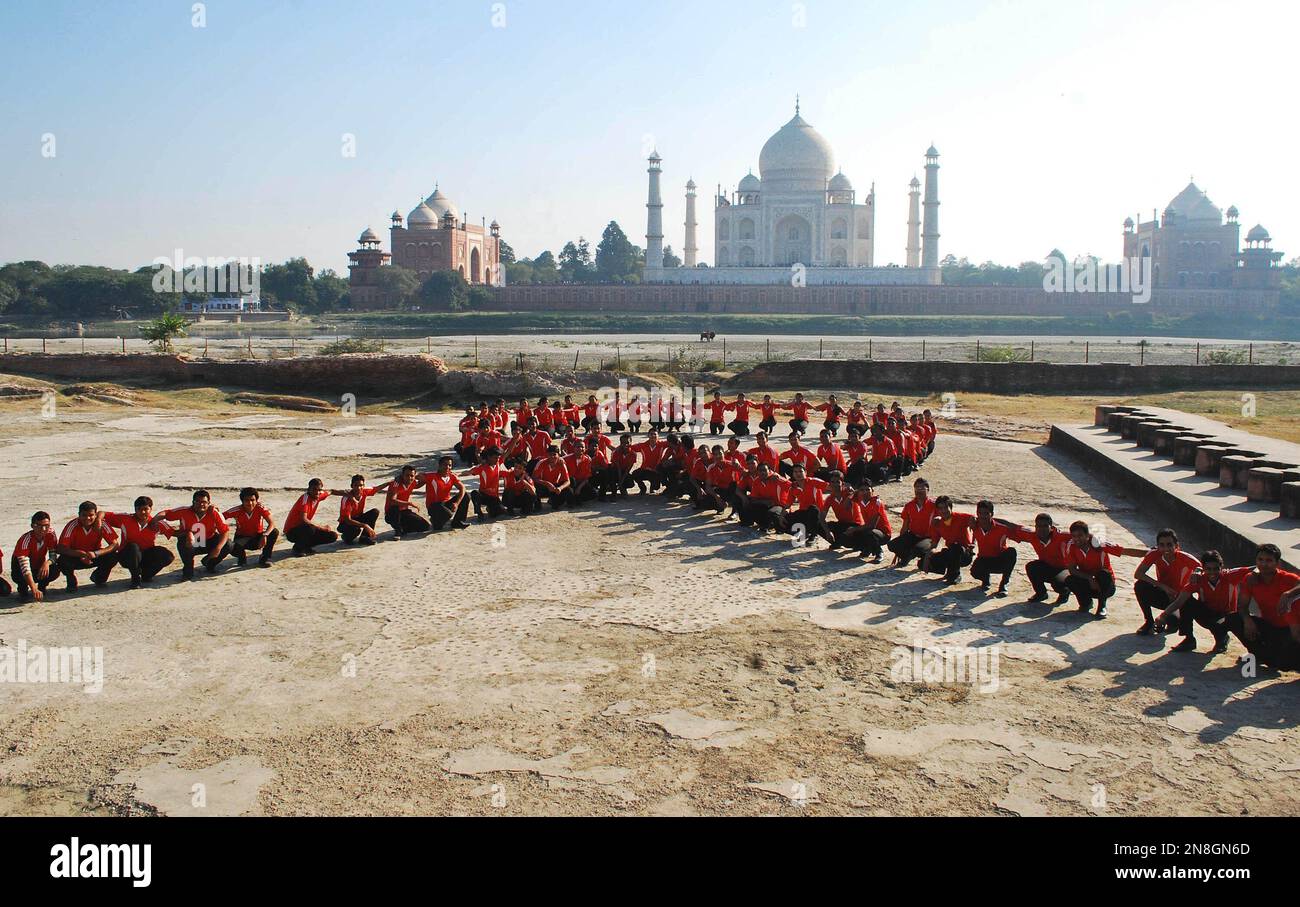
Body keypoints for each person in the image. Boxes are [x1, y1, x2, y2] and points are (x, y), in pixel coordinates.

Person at [1154, 550, 1247, 654]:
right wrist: (1163, 615)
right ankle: (1189, 639)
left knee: (1232, 620)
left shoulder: (1230, 576)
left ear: (1221, 567)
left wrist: (1257, 574)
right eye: (1208, 569)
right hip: (1207, 615)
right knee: (1187, 601)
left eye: (1216, 569)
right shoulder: (1198, 580)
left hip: (1227, 617)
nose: (1212, 572)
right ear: (1203, 568)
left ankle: (1222, 639)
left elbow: (1255, 568)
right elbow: (1179, 601)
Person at [1225, 543, 1300, 670]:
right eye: (1260, 560)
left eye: (1269, 561)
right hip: (1268, 625)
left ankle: (1271, 657)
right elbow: (1242, 606)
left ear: (1277, 563)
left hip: (1289, 630)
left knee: (1283, 664)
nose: (1264, 564)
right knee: (1233, 619)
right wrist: (1248, 621)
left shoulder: (1287, 578)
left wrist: (1288, 593)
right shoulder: (1251, 579)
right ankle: (1258, 654)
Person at [1064, 521, 1146, 619]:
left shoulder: (1099, 544)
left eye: (1080, 535)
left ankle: (1102, 606)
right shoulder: (1071, 546)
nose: (1077, 539)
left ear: (1087, 535)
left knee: (1104, 574)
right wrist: (1090, 578)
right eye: (1074, 536)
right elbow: (1072, 569)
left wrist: (1150, 553)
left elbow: (1125, 551)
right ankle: (1085, 603)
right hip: (1089, 582)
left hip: (1105, 585)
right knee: (1070, 580)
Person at [1132, 529, 1202, 636]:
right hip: (1163, 594)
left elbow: (1200, 567)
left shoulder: (1185, 557)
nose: (1166, 548)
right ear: (1158, 546)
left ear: (1176, 545)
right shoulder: (1154, 554)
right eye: (1162, 545)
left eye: (1169, 545)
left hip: (1179, 599)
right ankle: (1149, 622)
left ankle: (1178, 627)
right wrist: (1162, 586)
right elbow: (1138, 574)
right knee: (1140, 586)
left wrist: (1197, 572)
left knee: (1173, 623)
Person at [104, 497, 175, 588]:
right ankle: (135, 578)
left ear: (151, 509)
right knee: (133, 547)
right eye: (139, 509)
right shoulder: (125, 518)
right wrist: (98, 520)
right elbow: (102, 514)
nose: (143, 512)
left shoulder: (157, 523)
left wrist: (189, 534)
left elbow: (175, 533)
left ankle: (147, 575)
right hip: (127, 556)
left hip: (145, 555)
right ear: (135, 509)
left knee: (167, 556)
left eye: (146, 509)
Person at [162, 490, 232, 579]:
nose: (201, 504)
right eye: (197, 501)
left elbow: (225, 531)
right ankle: (188, 569)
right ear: (193, 502)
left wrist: (218, 548)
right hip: (191, 542)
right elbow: (165, 514)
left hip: (208, 540)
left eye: (204, 502)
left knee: (228, 545)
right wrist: (154, 521)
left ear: (209, 503)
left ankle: (209, 563)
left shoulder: (214, 513)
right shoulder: (185, 511)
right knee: (184, 539)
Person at [1007, 514, 1074, 605]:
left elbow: (1084, 535)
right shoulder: (1032, 535)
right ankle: (1041, 593)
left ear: (1051, 526)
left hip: (1063, 569)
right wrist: (988, 519)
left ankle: (1065, 592)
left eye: (1045, 526)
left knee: (1058, 584)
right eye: (1039, 526)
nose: (1042, 529)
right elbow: (1012, 526)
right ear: (1035, 527)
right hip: (1047, 566)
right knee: (1031, 567)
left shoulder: (1062, 536)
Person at [55, 501, 120, 591]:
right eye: (84, 515)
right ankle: (71, 581)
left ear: (95, 515)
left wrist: (96, 553)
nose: (87, 518)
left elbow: (115, 544)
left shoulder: (102, 524)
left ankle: (99, 577)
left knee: (113, 556)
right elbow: (60, 548)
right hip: (76, 557)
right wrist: (80, 554)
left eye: (91, 515)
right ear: (79, 515)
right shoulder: (72, 525)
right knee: (62, 561)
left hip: (94, 556)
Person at [921, 496, 975, 584]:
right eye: (940, 508)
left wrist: (973, 543)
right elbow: (934, 544)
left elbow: (975, 519)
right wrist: (927, 558)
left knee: (955, 547)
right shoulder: (937, 523)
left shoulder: (960, 517)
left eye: (946, 507)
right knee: (922, 562)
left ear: (951, 507)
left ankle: (955, 576)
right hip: (950, 552)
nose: (943, 511)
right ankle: (950, 571)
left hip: (964, 555)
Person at [285, 478, 346, 555]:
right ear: (309, 489)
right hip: (291, 532)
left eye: (319, 490)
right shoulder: (305, 499)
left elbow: (331, 491)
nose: (317, 492)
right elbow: (304, 519)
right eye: (314, 489)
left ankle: (306, 546)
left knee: (332, 536)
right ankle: (298, 548)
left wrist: (348, 495)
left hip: (303, 529)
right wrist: (322, 527)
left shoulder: (318, 495)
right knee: (310, 528)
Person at [969, 500, 1016, 597]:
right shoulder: (975, 525)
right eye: (980, 513)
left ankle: (1004, 584)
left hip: (1000, 559)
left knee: (1011, 552)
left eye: (986, 513)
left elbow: (1018, 530)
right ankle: (986, 580)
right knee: (974, 572)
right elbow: (956, 517)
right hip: (984, 559)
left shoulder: (1002, 528)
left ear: (992, 514)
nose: (982, 516)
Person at [223, 487, 279, 567]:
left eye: (252, 500)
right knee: (231, 547)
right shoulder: (237, 510)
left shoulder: (261, 508)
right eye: (246, 500)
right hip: (242, 538)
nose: (250, 503)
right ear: (242, 501)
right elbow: (220, 517)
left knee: (274, 532)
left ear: (256, 500)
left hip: (258, 537)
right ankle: (242, 558)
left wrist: (265, 535)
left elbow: (272, 523)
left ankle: (265, 558)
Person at [11, 511, 61, 602]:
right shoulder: (25, 540)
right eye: (40, 526)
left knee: (54, 569)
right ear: (33, 526)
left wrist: (47, 563)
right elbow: (25, 567)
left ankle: (42, 587)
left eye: (47, 525)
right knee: (20, 575)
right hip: (21, 570)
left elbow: (53, 555)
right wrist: (33, 588)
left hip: (38, 566)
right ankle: (23, 589)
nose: (44, 529)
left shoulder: (51, 533)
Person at [887, 478, 936, 568]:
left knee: (919, 549)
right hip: (913, 535)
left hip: (928, 537)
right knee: (892, 545)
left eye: (922, 488)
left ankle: (922, 557)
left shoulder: (934, 505)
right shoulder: (909, 505)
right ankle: (906, 556)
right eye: (917, 488)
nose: (919, 491)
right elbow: (905, 525)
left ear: (928, 490)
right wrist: (898, 549)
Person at [783, 465, 832, 545]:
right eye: (795, 472)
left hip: (816, 513)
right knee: (783, 520)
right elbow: (788, 504)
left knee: (813, 509)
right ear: (792, 474)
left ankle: (814, 535)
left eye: (800, 471)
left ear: (805, 472)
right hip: (804, 512)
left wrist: (846, 488)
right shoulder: (793, 487)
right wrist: (782, 515)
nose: (798, 474)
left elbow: (831, 487)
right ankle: (804, 532)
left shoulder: (813, 481)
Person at [422, 457, 470, 530]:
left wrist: (457, 503)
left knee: (466, 495)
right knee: (447, 515)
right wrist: (400, 478)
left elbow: (462, 488)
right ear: (439, 465)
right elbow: (414, 477)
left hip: (446, 503)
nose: (448, 467)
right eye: (445, 465)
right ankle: (435, 521)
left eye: (449, 465)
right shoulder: (431, 476)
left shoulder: (452, 476)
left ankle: (457, 522)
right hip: (434, 506)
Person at [742, 461, 790, 533]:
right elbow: (753, 499)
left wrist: (780, 478)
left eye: (764, 470)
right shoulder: (757, 481)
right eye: (760, 471)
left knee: (772, 513)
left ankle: (781, 527)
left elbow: (793, 486)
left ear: (769, 471)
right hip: (769, 504)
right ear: (757, 472)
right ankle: (765, 525)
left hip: (780, 505)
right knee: (750, 505)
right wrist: (764, 501)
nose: (762, 473)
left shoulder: (776, 478)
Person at [385, 465, 432, 536]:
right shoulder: (396, 484)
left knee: (425, 526)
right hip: (392, 513)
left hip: (404, 512)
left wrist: (420, 477)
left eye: (411, 476)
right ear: (402, 475)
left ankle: (403, 529)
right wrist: (409, 503)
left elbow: (421, 482)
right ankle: (398, 531)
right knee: (395, 508)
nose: (409, 478)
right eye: (407, 475)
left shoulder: (412, 482)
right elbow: (392, 500)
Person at [337, 475, 385, 545]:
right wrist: (365, 525)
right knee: (355, 530)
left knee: (375, 512)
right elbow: (347, 520)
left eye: (361, 485)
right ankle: (346, 537)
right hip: (346, 522)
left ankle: (364, 538)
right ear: (351, 486)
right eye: (356, 485)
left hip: (358, 517)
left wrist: (389, 482)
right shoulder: (347, 498)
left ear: (364, 486)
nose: (359, 488)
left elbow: (376, 489)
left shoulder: (364, 492)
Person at [469, 452, 507, 522]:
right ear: (489, 457)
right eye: (495, 458)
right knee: (474, 493)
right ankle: (479, 512)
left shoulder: (498, 464)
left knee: (498, 513)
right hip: (484, 495)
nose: (497, 459)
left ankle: (490, 508)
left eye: (498, 458)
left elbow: (507, 453)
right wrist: (456, 474)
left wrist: (514, 440)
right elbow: (469, 472)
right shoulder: (482, 467)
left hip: (494, 497)